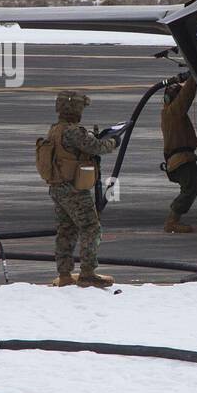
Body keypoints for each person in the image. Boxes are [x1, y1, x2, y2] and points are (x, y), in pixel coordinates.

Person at [41, 91, 120, 288]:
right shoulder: (73, 131)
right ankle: (87, 273)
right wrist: (114, 142)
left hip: (58, 188)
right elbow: (96, 147)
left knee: (66, 230)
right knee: (91, 227)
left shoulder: (55, 130)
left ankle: (65, 273)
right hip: (73, 190)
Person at [159, 75, 197, 233]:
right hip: (181, 160)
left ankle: (173, 219)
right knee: (189, 189)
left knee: (190, 188)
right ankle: (172, 221)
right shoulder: (173, 112)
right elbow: (186, 96)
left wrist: (194, 141)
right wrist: (194, 76)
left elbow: (178, 135)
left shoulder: (171, 115)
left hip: (180, 158)